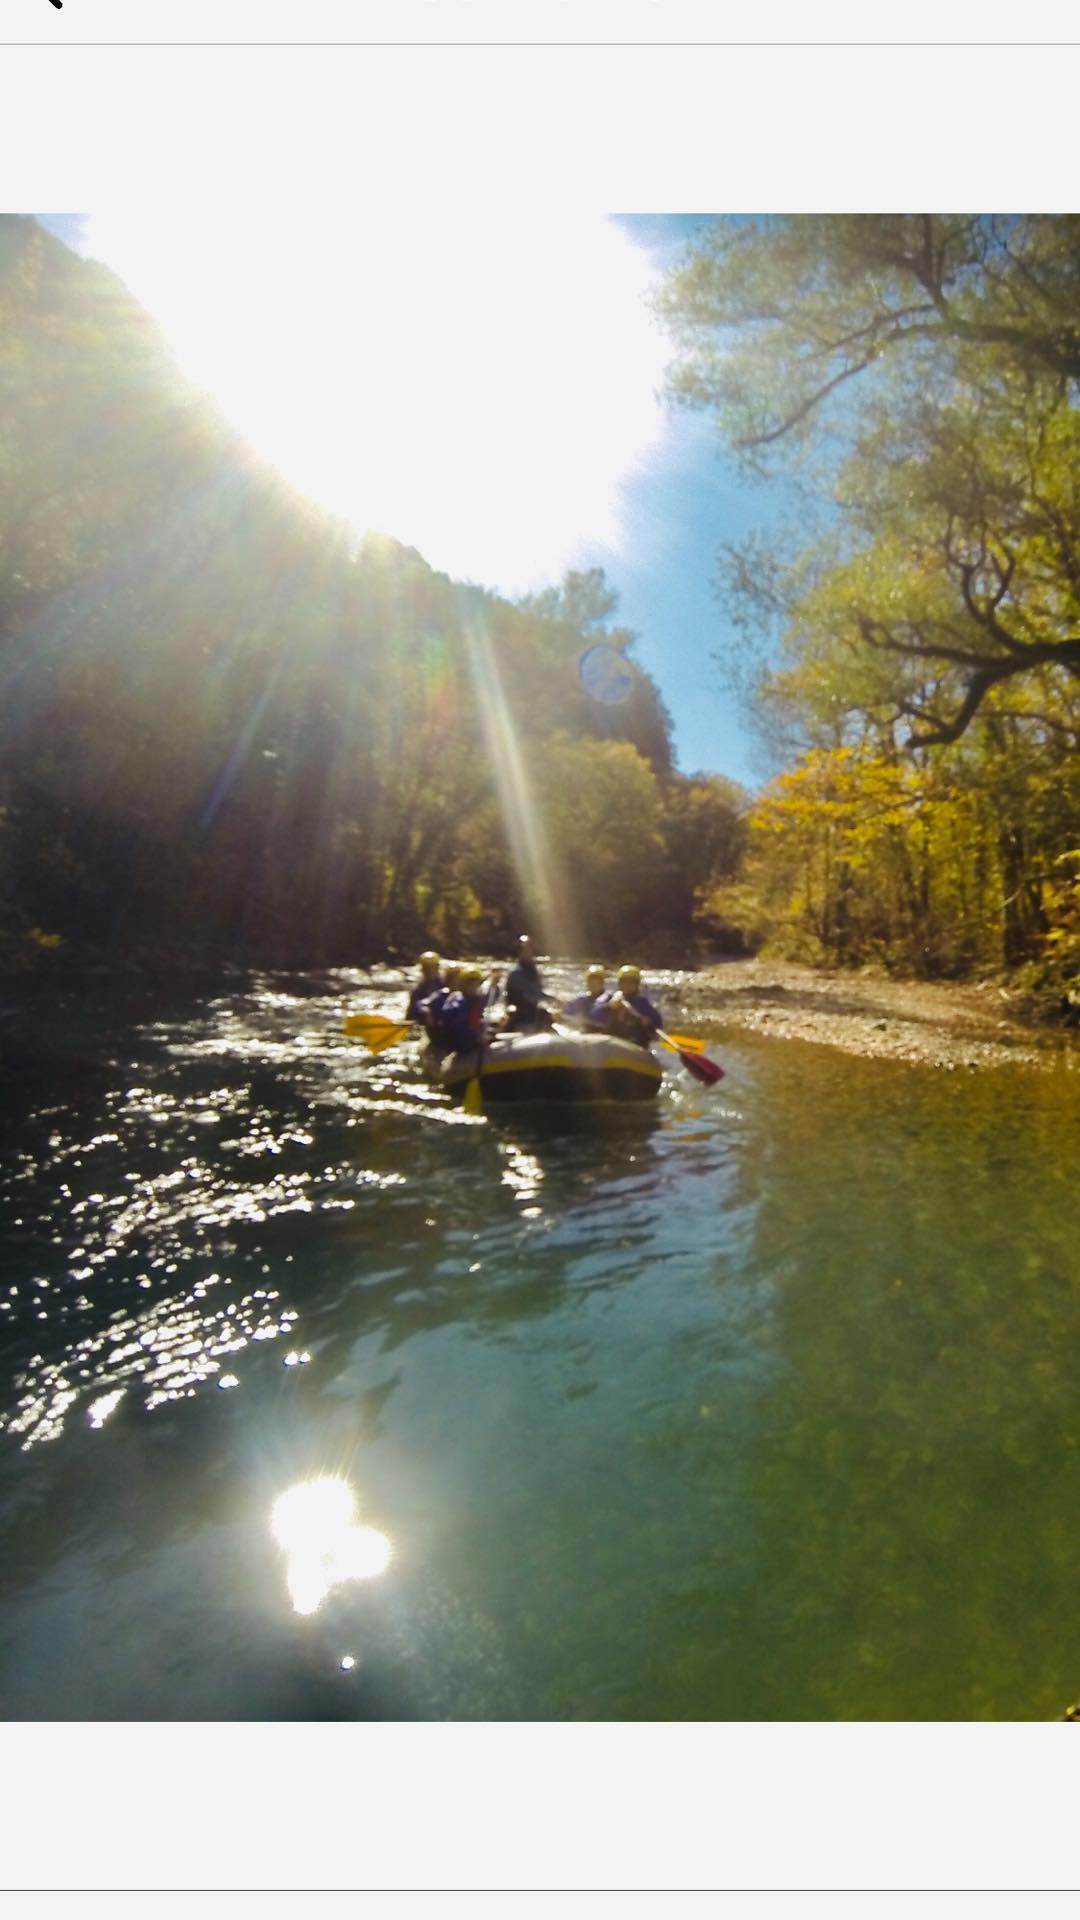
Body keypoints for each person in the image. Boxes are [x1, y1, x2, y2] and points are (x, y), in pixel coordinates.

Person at [595, 965, 663, 1048]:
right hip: (612, 1044)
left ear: (637, 985)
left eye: (632, 982)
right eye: (624, 982)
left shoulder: (642, 1002)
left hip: (636, 1046)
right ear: (619, 983)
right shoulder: (609, 997)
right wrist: (608, 1007)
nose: (627, 985)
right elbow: (593, 1013)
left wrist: (648, 1021)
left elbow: (658, 1022)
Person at [438, 965, 491, 1055]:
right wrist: (476, 1038)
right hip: (463, 1044)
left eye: (476, 984)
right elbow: (458, 1028)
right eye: (470, 985)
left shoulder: (475, 998)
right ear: (463, 985)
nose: (474, 988)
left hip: (473, 1038)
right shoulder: (457, 1002)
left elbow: (491, 997)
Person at [505, 935, 551, 1030]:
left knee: (546, 1014)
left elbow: (537, 992)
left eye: (529, 950)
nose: (528, 953)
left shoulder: (534, 971)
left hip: (532, 1011)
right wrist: (554, 1000)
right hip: (519, 1012)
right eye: (524, 950)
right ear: (519, 952)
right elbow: (532, 992)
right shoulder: (516, 973)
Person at [405, 950, 442, 1023]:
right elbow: (411, 1013)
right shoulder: (417, 990)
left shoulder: (446, 985)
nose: (430, 971)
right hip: (425, 1024)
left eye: (432, 967)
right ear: (422, 969)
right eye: (427, 968)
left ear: (437, 967)